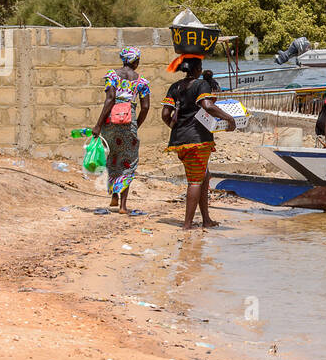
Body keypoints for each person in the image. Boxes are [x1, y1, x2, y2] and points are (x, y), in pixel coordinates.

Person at [162, 55, 236, 229]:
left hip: (180, 141)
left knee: (204, 176)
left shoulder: (175, 87)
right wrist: (229, 118)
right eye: (200, 67)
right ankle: (187, 225)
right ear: (197, 69)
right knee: (195, 180)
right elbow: (207, 105)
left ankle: (206, 220)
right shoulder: (201, 84)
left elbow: (165, 115)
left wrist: (177, 127)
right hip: (197, 139)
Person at [93, 46, 151, 215]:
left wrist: (98, 124)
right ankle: (123, 206)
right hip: (129, 122)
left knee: (113, 156)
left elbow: (110, 99)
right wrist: (135, 125)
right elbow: (145, 107)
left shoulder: (111, 76)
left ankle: (114, 195)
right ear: (135, 61)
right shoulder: (142, 82)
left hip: (111, 122)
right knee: (128, 161)